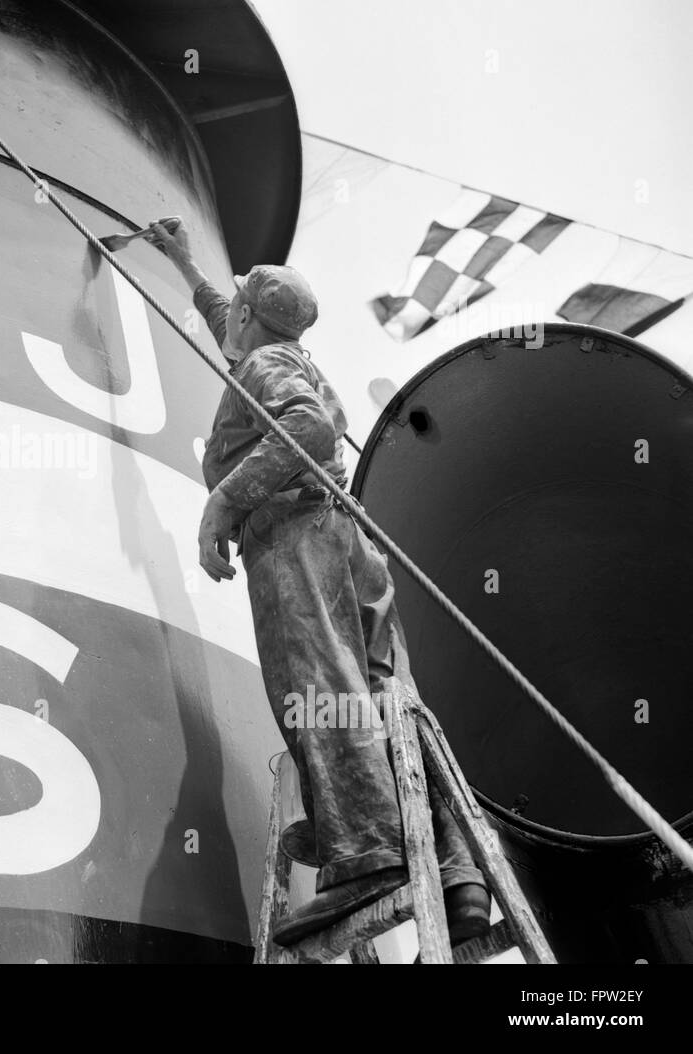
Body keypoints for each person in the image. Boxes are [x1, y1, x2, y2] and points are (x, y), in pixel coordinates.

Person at [149, 220, 490, 947]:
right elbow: (237, 330)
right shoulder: (284, 352)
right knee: (386, 694)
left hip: (295, 540)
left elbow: (307, 431)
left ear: (252, 315)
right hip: (351, 541)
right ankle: (459, 870)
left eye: (236, 303)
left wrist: (221, 501)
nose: (229, 312)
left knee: (318, 686)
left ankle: (367, 857)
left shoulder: (265, 365)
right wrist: (184, 264)